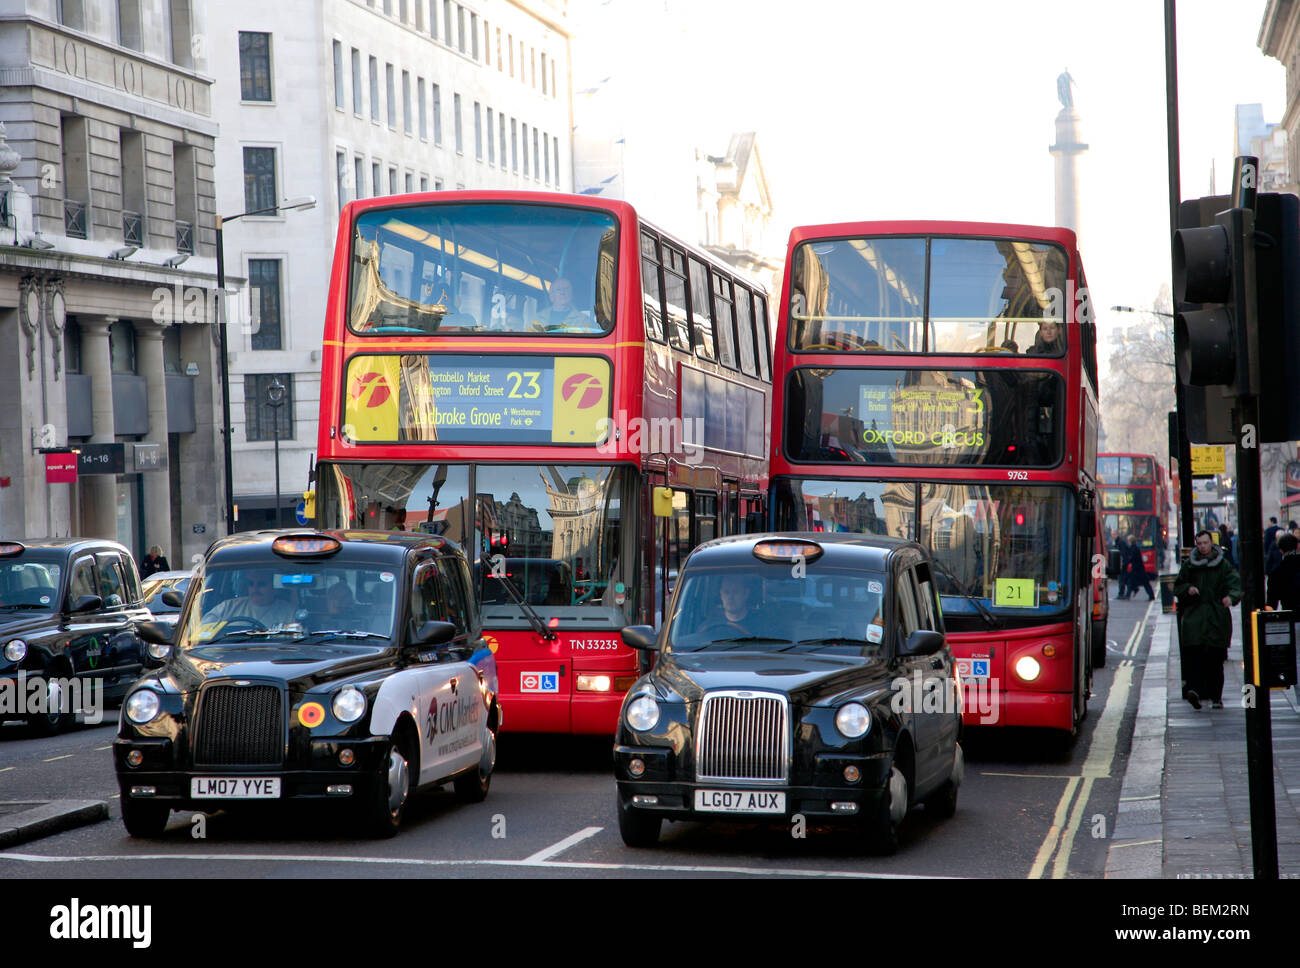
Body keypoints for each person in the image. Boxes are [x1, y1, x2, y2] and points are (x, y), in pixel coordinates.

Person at [1174, 529, 1242, 710]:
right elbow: (1178, 586)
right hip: (1195, 617)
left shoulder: (1223, 565)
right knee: (1195, 657)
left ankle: (1216, 697)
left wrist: (1231, 598)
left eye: (1205, 543)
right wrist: (1188, 588)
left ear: (1211, 543)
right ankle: (1195, 691)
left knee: (1215, 660)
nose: (1202, 547)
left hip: (1216, 617)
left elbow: (1235, 584)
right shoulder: (1189, 565)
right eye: (1199, 544)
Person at [204, 572, 296, 629]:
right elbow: (202, 633)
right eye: (251, 584)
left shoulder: (288, 611)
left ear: (274, 587)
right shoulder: (227, 607)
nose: (255, 588)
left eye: (261, 584)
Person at [1266, 533, 1300, 612]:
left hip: (1291, 616)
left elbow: (1271, 605)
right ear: (1298, 547)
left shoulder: (1276, 574)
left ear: (1281, 551)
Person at [1124, 534, 1154, 601]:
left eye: (1128, 541)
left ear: (1131, 541)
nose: (1128, 542)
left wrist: (1125, 563)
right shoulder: (1134, 548)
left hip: (1138, 569)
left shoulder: (1134, 549)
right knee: (1131, 581)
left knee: (1145, 583)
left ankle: (1151, 595)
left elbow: (1131, 558)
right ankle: (1129, 594)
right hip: (1137, 568)